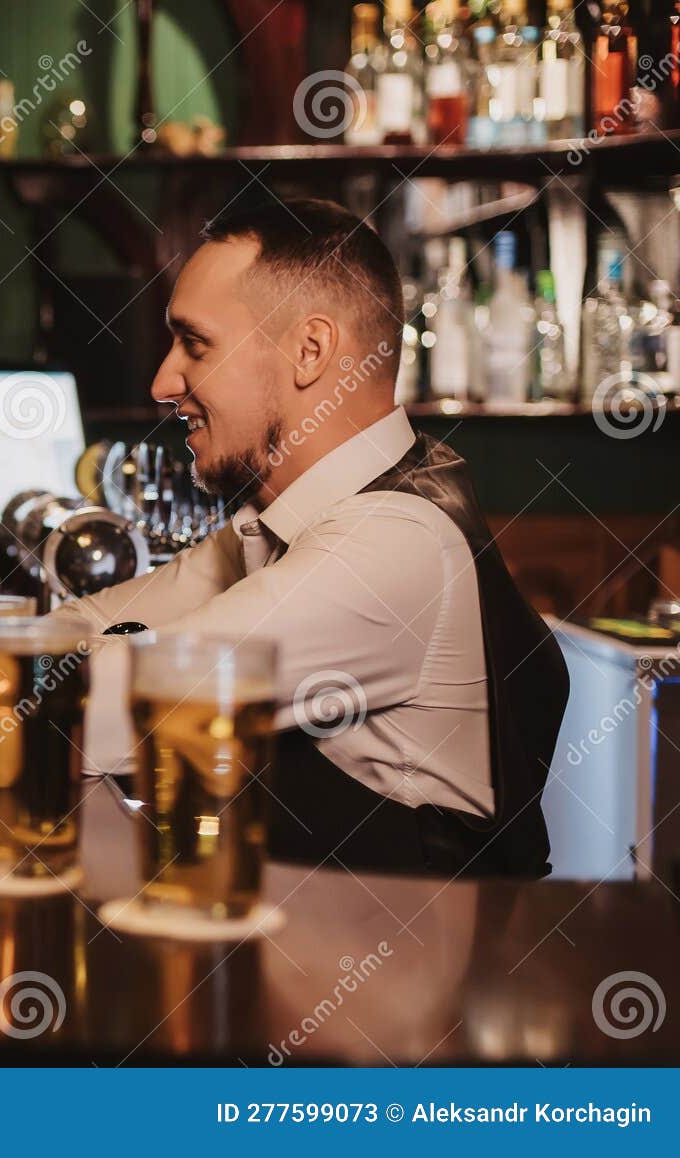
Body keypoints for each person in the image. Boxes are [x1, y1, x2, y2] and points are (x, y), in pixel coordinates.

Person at [49, 198, 568, 878]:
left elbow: (106, 713)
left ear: (310, 351)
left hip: (414, 973)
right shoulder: (290, 519)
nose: (163, 382)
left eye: (195, 344)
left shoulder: (391, 543)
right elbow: (79, 625)